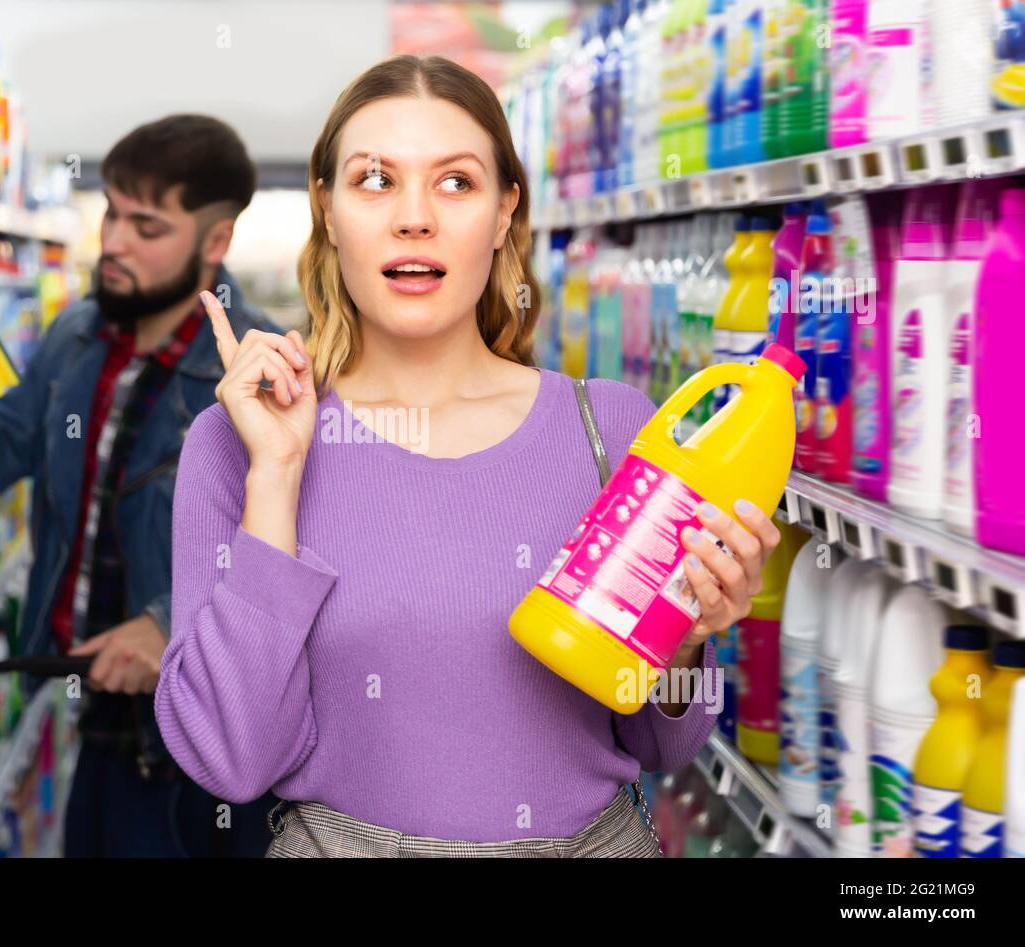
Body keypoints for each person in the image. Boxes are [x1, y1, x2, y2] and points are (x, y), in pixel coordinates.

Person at [155, 56, 782, 857]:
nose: (415, 217)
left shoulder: (612, 432)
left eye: (455, 183)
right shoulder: (238, 442)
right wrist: (275, 476)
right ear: (327, 208)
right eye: (375, 180)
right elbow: (233, 760)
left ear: (503, 211)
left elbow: (667, 746)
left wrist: (691, 639)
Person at [0, 115, 280, 857]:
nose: (116, 243)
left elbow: (295, 555)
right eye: (113, 213)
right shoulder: (78, 334)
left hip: (196, 746)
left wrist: (172, 619)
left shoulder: (259, 372)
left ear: (215, 243)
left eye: (148, 227)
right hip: (87, 713)